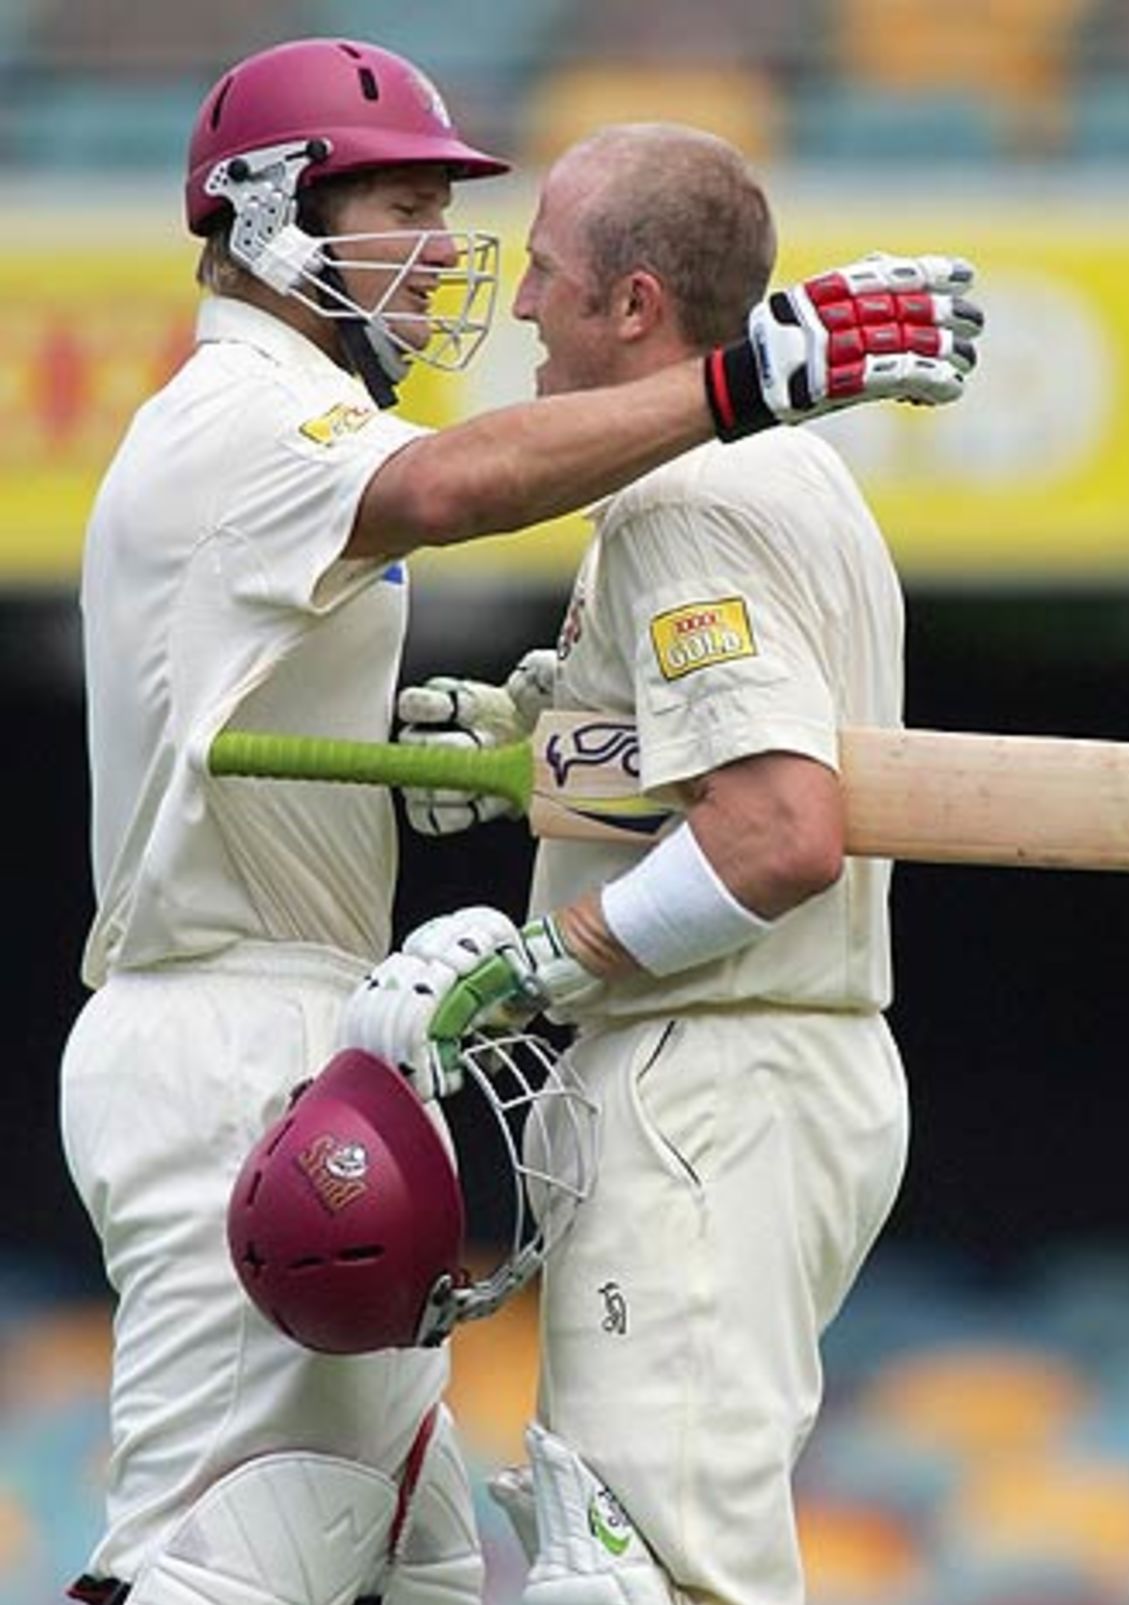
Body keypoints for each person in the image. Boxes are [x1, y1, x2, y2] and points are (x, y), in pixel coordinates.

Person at [58, 29, 979, 1605]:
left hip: (338, 1026)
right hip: (224, 1031)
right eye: (400, 204)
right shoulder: (242, 410)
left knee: (409, 1559)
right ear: (273, 211)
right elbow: (462, 484)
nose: (455, 261)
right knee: (229, 1556)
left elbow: (760, 810)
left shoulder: (332, 416)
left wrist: (526, 754)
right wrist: (756, 378)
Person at [343, 122, 982, 1605]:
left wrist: (540, 962)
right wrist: (540, 734)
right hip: (752, 1079)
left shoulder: (691, 500)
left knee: (646, 1571)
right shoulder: (776, 471)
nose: (518, 311)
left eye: (550, 277)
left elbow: (776, 831)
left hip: (718, 1075)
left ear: (633, 306)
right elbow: (710, 765)